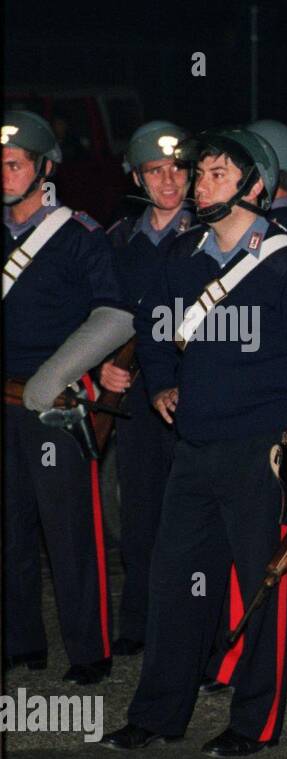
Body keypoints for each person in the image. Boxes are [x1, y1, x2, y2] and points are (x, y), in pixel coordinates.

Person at [100, 128, 287, 756]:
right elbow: (154, 330)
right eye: (201, 173)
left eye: (216, 174)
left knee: (266, 583)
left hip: (262, 448)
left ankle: (254, 723)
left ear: (254, 186)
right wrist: (159, 383)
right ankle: (158, 714)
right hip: (194, 445)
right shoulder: (182, 256)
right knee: (172, 581)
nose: (201, 183)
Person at [4, 108, 134, 685]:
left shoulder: (77, 235)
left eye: (14, 164)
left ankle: (89, 650)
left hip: (53, 403)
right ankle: (20, 642)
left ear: (44, 167)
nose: (3, 174)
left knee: (70, 532)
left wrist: (56, 375)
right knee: (9, 528)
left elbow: (115, 314)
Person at [99, 121, 195, 658]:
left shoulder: (207, 236)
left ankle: (192, 630)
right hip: (135, 400)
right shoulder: (118, 241)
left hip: (194, 395)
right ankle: (138, 623)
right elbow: (98, 317)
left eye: (178, 168)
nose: (169, 180)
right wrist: (105, 370)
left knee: (193, 520)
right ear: (138, 176)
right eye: (156, 170)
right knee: (139, 516)